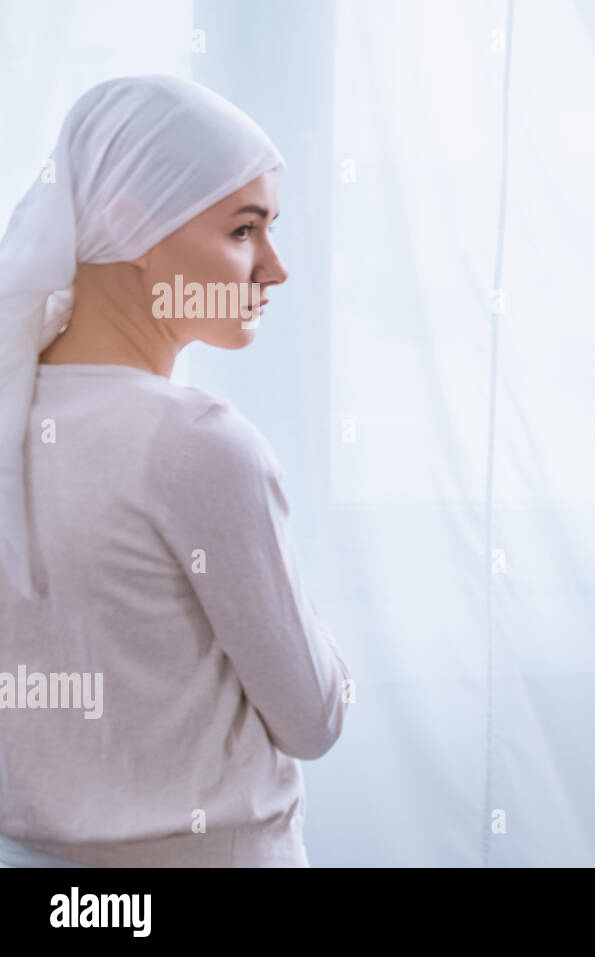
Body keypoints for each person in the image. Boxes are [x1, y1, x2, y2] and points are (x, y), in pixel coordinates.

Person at [0, 75, 350, 867]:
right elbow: (315, 718)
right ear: (133, 227)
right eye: (244, 230)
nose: (276, 268)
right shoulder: (197, 444)